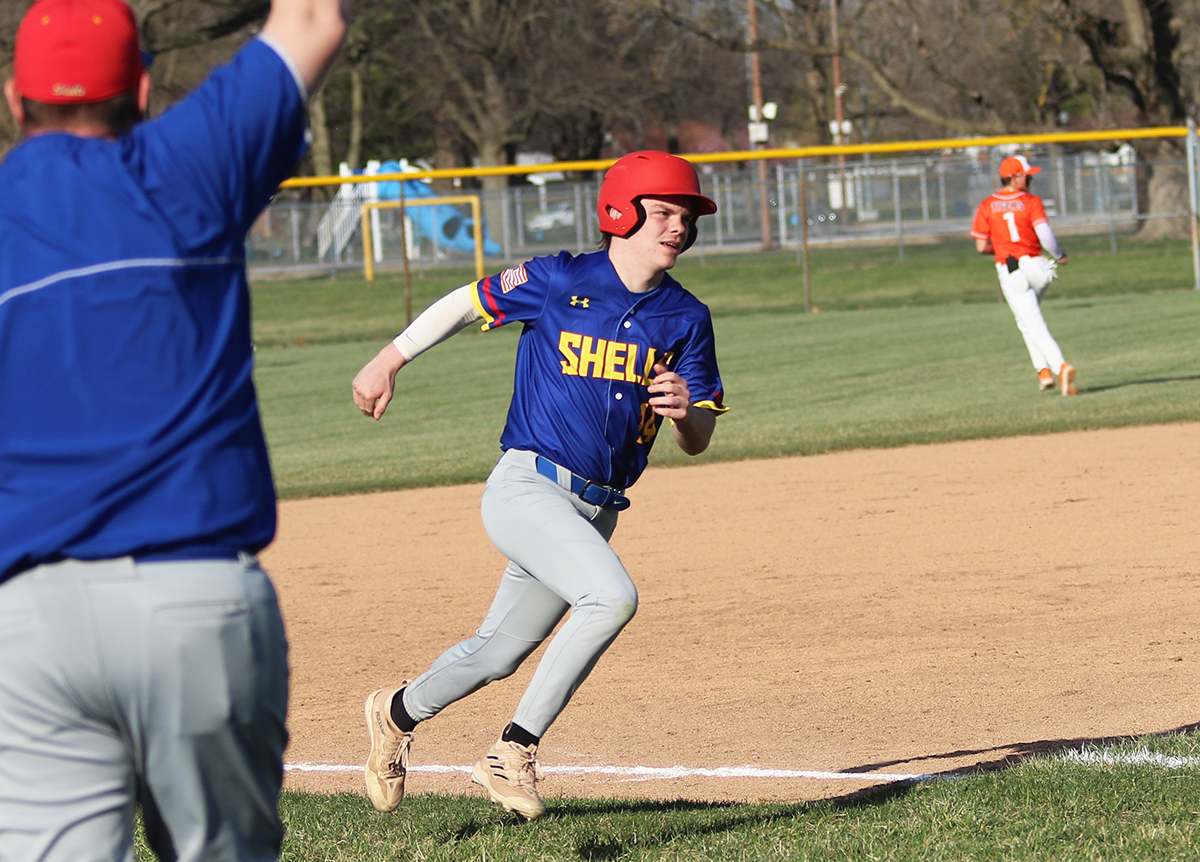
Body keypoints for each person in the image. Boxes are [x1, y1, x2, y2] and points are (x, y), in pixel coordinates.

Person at [0, 0, 345, 858]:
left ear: (14, 98)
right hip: (195, 600)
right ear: (145, 89)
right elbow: (311, 19)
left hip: (27, 617)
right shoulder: (190, 159)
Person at [352, 150, 729, 821]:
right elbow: (465, 303)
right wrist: (389, 359)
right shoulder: (559, 279)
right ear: (621, 212)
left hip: (597, 510)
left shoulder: (686, 317)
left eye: (687, 217)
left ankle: (395, 713)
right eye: (664, 212)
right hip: (527, 486)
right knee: (611, 598)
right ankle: (513, 750)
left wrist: (685, 414)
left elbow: (697, 436)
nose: (679, 227)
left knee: (497, 653)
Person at [971, 154, 1077, 395]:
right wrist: (1059, 255)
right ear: (1014, 178)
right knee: (1026, 320)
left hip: (1012, 270)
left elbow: (981, 246)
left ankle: (1059, 366)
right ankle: (1043, 372)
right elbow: (1044, 235)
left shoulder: (987, 205)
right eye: (1026, 176)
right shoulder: (1031, 201)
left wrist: (1002, 247)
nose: (1029, 180)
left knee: (1031, 321)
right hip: (1039, 267)